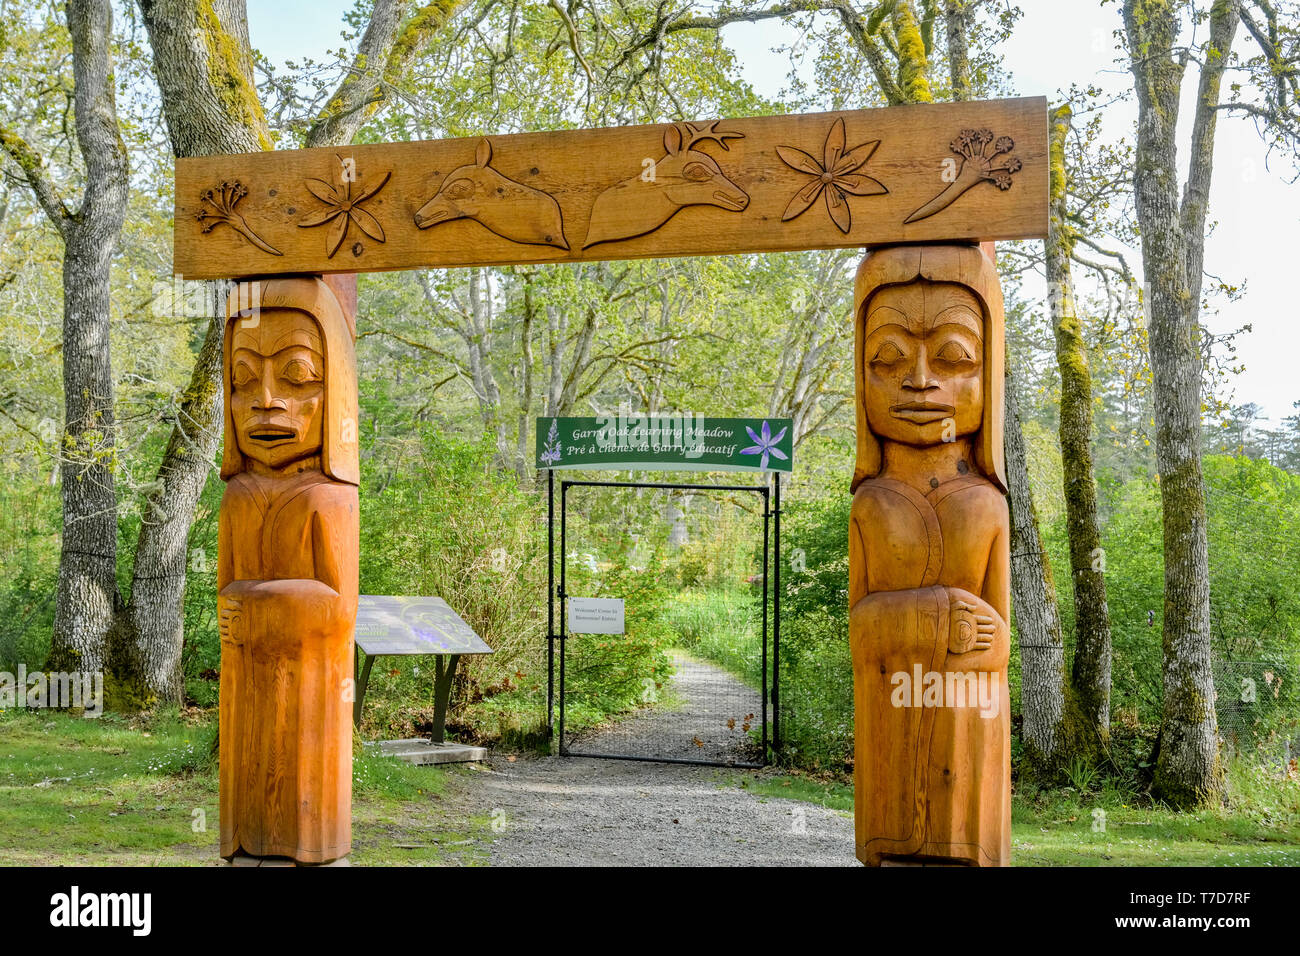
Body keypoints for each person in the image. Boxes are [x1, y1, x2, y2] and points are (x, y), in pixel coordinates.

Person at [849, 244, 1011, 867]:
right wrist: (934, 615)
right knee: (891, 837)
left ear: (988, 369)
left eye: (953, 356)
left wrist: (978, 634)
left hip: (967, 736)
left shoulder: (988, 504)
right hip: (889, 722)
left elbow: (1000, 644)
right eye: (887, 359)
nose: (921, 379)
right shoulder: (871, 504)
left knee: (963, 841)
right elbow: (860, 632)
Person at [217, 276, 359, 864]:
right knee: (247, 774)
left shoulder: (330, 499)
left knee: (300, 792)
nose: (266, 398)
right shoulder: (236, 496)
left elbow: (338, 606)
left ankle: (306, 840)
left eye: (297, 376)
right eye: (244, 378)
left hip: (309, 687)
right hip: (245, 677)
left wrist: (258, 606)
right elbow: (225, 584)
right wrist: (233, 610)